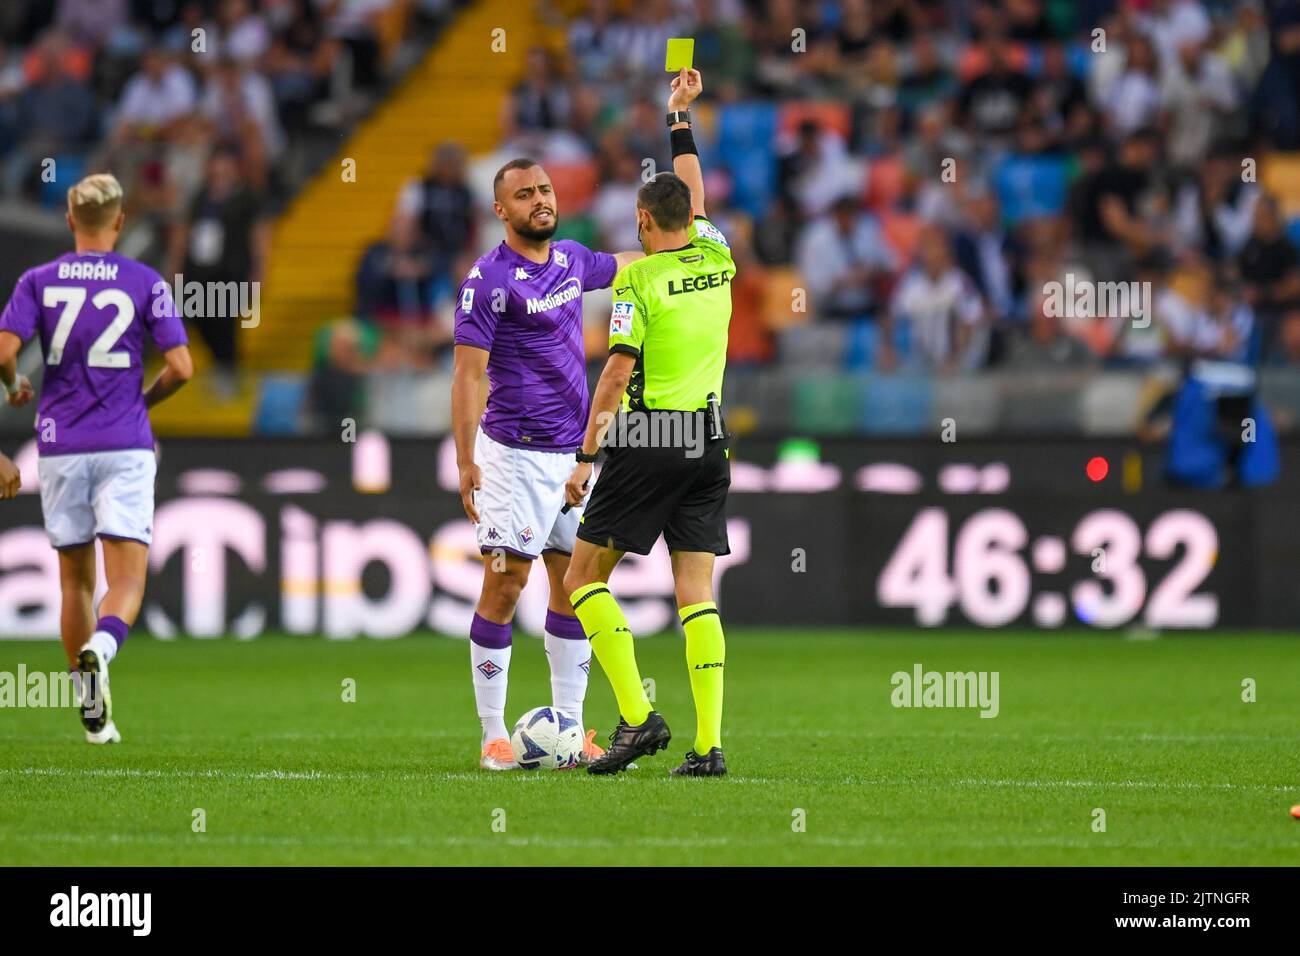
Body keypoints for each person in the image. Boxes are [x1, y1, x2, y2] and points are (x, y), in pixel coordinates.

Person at [563, 68, 734, 777]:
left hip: (651, 436)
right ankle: (709, 747)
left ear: (641, 223)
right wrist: (679, 118)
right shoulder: (717, 254)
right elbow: (690, 186)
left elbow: (614, 372)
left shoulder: (636, 280)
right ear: (688, 220)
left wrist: (585, 454)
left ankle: (637, 717)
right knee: (696, 591)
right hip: (709, 439)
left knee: (581, 577)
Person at [451, 159, 642, 770]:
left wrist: (688, 248)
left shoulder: (571, 260)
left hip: (574, 458)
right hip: (511, 456)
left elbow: (632, 265)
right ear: (500, 211)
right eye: (523, 194)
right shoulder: (487, 281)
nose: (539, 200)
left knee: (576, 585)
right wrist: (465, 460)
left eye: (545, 190)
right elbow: (468, 373)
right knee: (506, 584)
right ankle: (492, 736)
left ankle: (570, 730)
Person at [0, 173, 193, 744]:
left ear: (68, 221)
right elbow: (182, 367)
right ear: (120, 222)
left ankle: (91, 711)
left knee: (75, 583)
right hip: (124, 441)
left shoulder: (39, 280)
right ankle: (100, 650)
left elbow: (4, 352)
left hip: (59, 445)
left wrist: (13, 385)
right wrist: (143, 399)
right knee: (127, 578)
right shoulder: (144, 280)